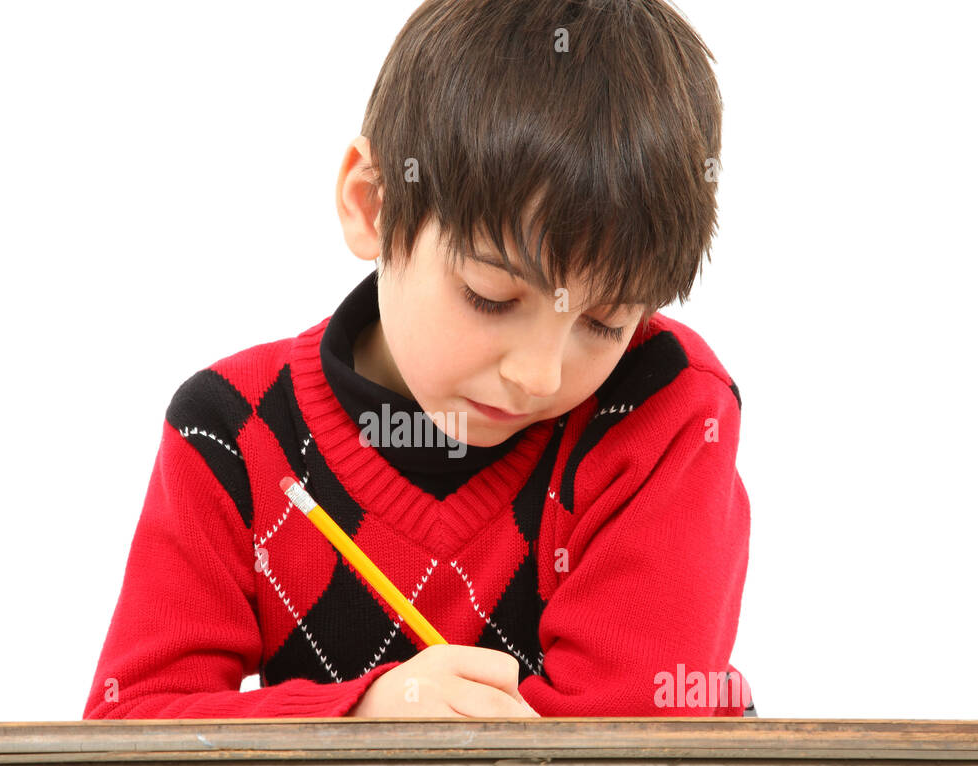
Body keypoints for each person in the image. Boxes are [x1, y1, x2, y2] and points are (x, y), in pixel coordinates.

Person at [82, 0, 754, 720]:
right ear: (373, 205)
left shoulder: (662, 408)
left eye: (605, 322)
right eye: (491, 296)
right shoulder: (233, 429)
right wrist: (365, 714)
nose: (541, 374)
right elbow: (134, 729)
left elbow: (622, 751)